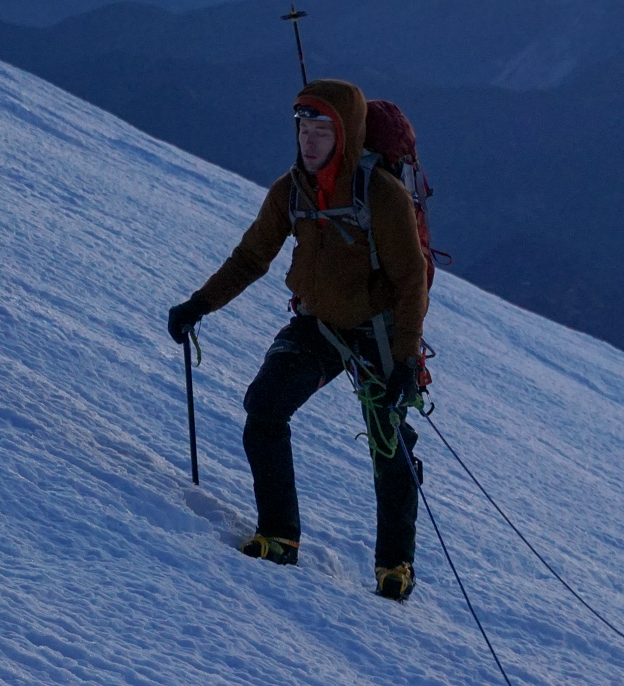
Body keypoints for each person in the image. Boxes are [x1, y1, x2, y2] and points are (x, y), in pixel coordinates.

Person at [165, 80, 430, 601]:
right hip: (318, 324)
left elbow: (410, 281)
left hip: (377, 331)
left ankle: (394, 565)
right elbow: (251, 257)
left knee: (388, 441)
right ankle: (280, 535)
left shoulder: (382, 195)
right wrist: (199, 304)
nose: (308, 143)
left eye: (321, 131)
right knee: (264, 406)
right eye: (303, 130)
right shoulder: (290, 192)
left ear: (346, 134)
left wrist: (403, 360)